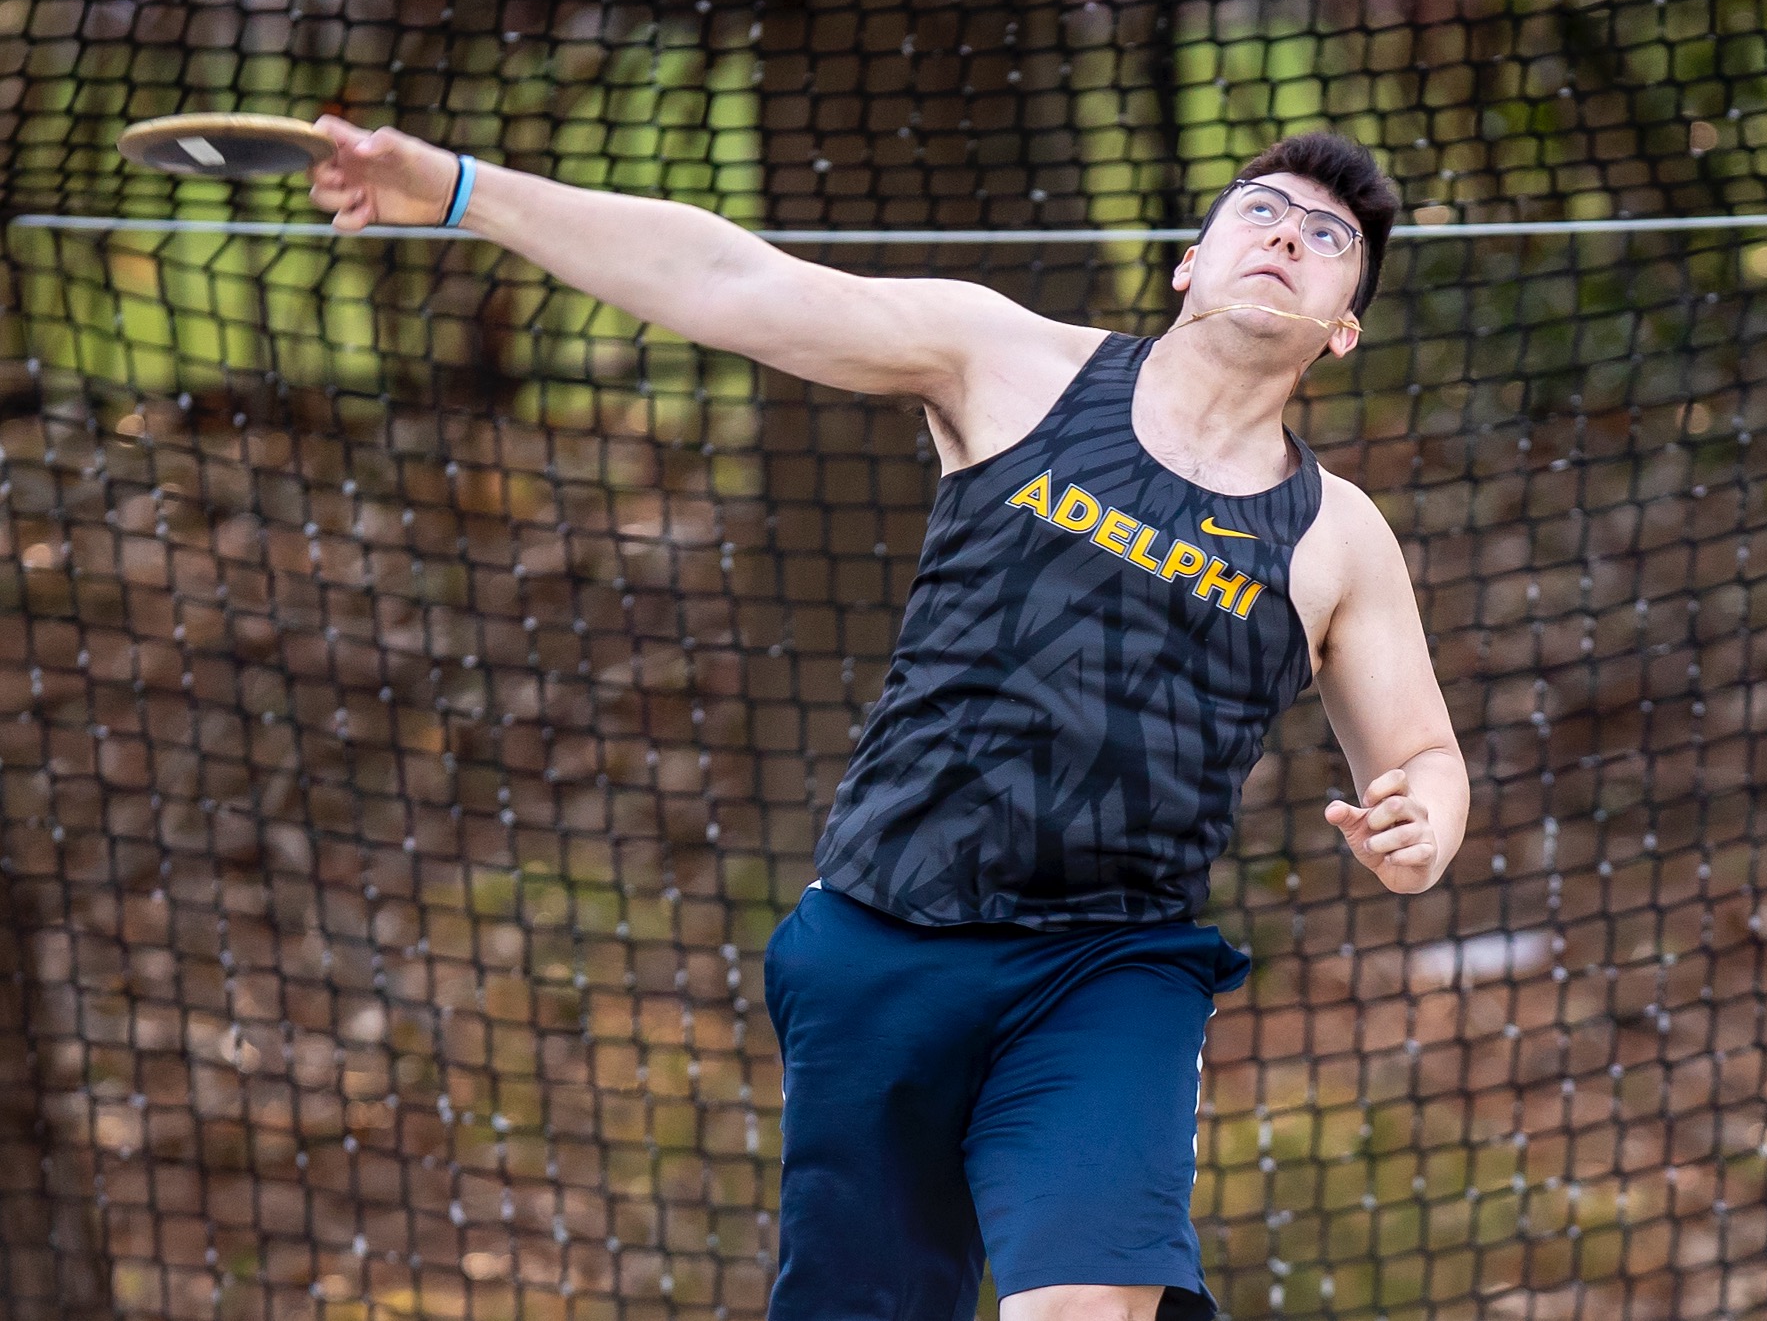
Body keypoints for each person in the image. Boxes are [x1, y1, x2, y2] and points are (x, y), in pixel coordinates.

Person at [310, 118, 1468, 1321]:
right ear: (1189, 259)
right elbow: (728, 279)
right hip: (880, 939)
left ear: (1343, 326)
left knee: (1085, 1307)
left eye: (1327, 237)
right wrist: (455, 191)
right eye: (1258, 208)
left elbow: (1424, 756)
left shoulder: (1337, 536)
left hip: (1107, 965)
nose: (1287, 233)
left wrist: (1421, 827)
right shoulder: (1008, 364)